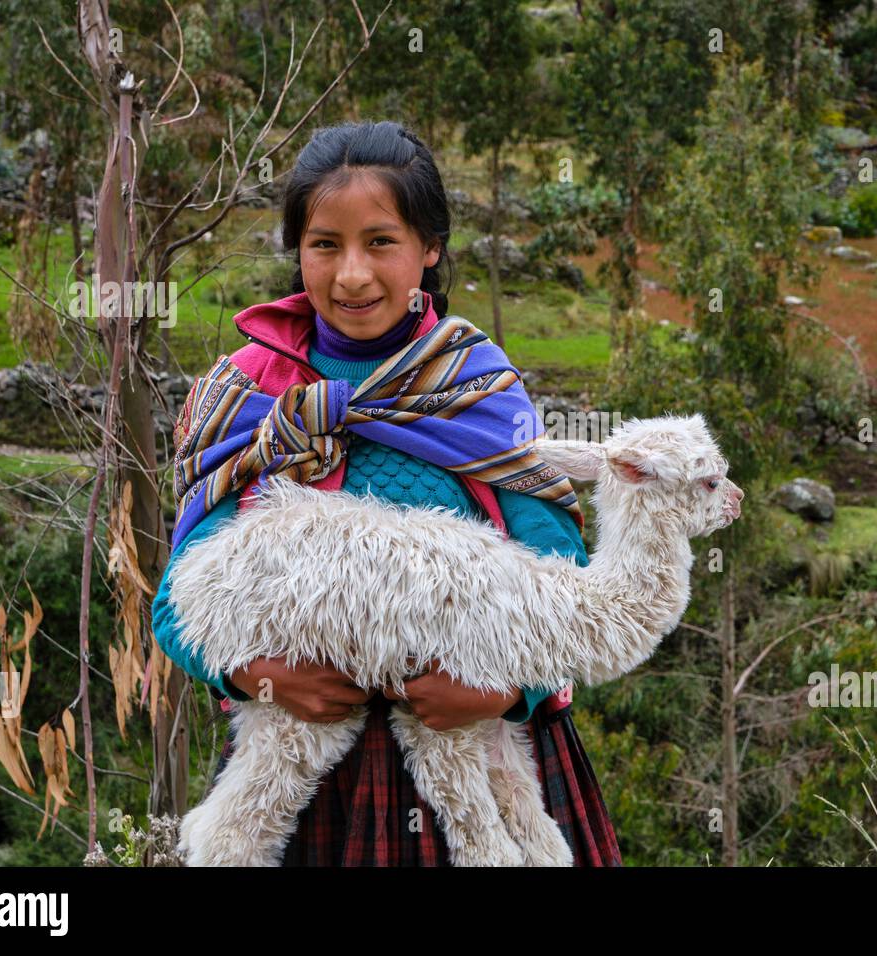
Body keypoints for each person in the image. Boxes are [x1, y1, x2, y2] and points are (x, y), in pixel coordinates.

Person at [150, 120, 622, 866]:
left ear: (429, 248)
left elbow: (559, 577)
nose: (352, 276)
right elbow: (179, 599)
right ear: (296, 249)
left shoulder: (476, 390)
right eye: (325, 245)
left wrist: (503, 694)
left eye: (381, 242)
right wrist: (255, 677)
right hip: (306, 782)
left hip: (471, 762)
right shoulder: (246, 393)